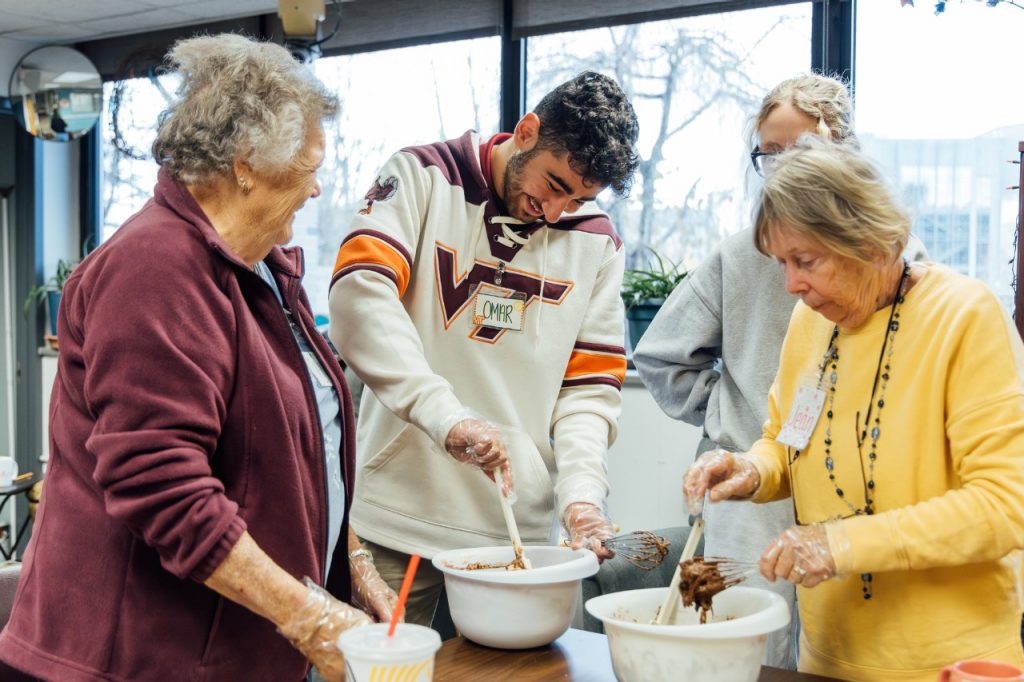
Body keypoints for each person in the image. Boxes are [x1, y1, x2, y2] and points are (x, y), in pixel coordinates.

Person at [0, 34, 397, 682]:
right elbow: (163, 487)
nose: (317, 188)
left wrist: (348, 565)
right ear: (246, 164)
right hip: (134, 660)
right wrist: (309, 618)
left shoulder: (263, 268)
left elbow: (308, 449)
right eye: (308, 166)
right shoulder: (153, 268)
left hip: (237, 651)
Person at [683, 137, 1024, 681]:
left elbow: (1004, 506)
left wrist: (841, 543)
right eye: (782, 263)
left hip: (949, 665)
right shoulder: (812, 323)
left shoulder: (964, 317)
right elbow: (786, 440)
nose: (792, 285)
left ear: (871, 243)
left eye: (806, 261)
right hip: (828, 659)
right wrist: (751, 469)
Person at [634, 73, 927, 668]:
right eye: (769, 155)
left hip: (850, 493)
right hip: (749, 492)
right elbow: (660, 355)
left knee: (836, 650)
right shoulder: (740, 252)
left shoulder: (891, 257)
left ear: (843, 151)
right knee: (734, 650)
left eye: (803, 150)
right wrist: (730, 413)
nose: (784, 168)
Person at [328, 70, 640, 625]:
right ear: (526, 131)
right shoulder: (424, 176)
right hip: (397, 518)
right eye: (554, 185)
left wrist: (582, 496)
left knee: (510, 668)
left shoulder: (597, 242)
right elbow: (359, 297)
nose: (555, 211)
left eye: (577, 199)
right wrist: (446, 417)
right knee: (386, 662)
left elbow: (589, 393)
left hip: (515, 534)